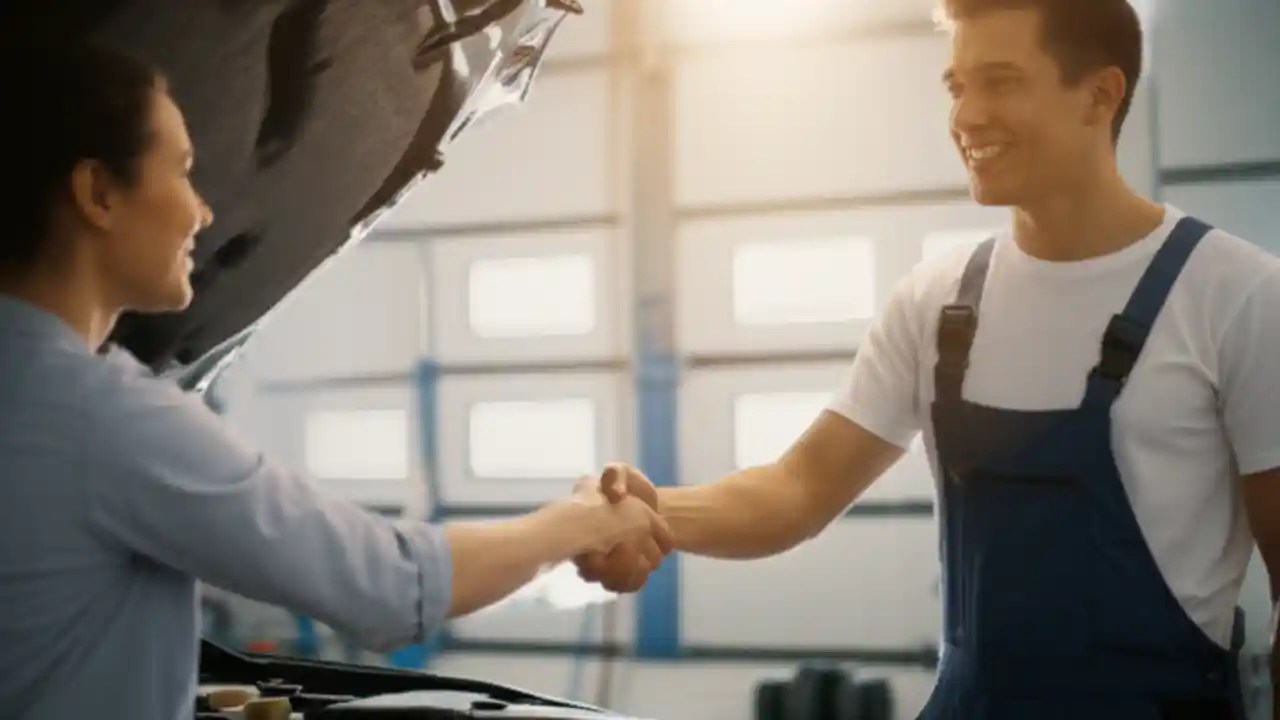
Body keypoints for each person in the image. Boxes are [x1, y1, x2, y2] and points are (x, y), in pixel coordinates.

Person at [576, 0, 1280, 717]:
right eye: (956, 86)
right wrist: (650, 511)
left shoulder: (1238, 297)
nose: (966, 117)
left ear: (1099, 95)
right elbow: (795, 493)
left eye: (1000, 81)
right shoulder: (939, 303)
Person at [0, 40, 673, 719]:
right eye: (180, 171)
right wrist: (582, 521)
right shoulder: (101, 420)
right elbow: (391, 585)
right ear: (97, 193)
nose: (201, 212)